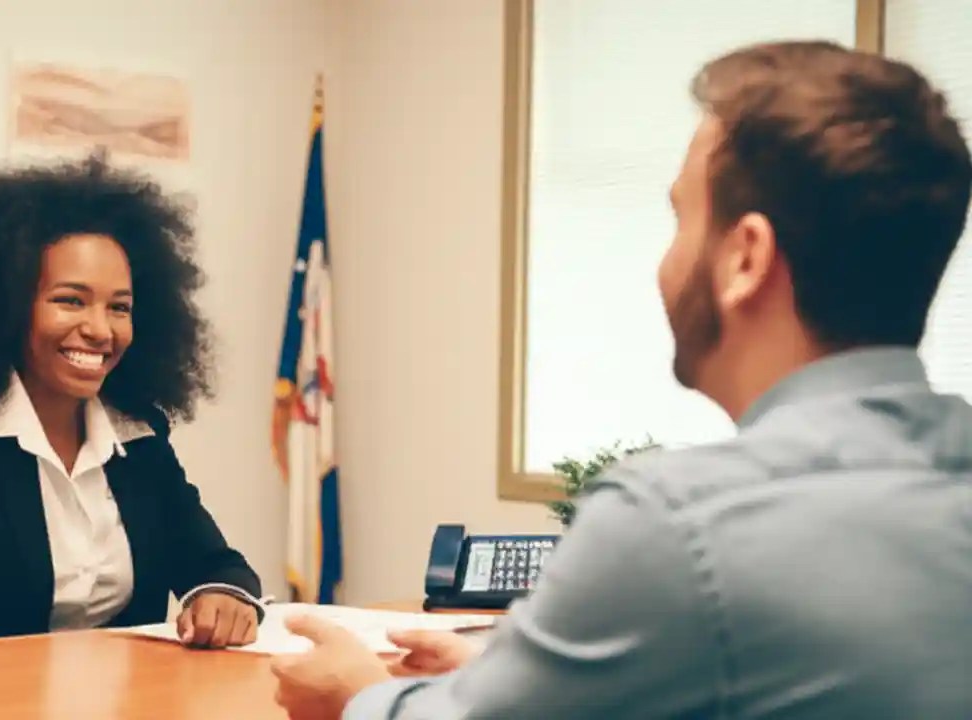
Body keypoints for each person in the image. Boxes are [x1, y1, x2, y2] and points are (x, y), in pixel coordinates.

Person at [271, 40, 972, 719]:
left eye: (680, 217)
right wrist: (513, 682)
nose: (666, 262)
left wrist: (357, 695)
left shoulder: (677, 524)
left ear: (746, 257)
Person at [0, 156, 265, 649]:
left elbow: (217, 565)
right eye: (71, 300)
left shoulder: (138, 433)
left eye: (119, 307)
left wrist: (222, 598)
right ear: (5, 306)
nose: (101, 329)